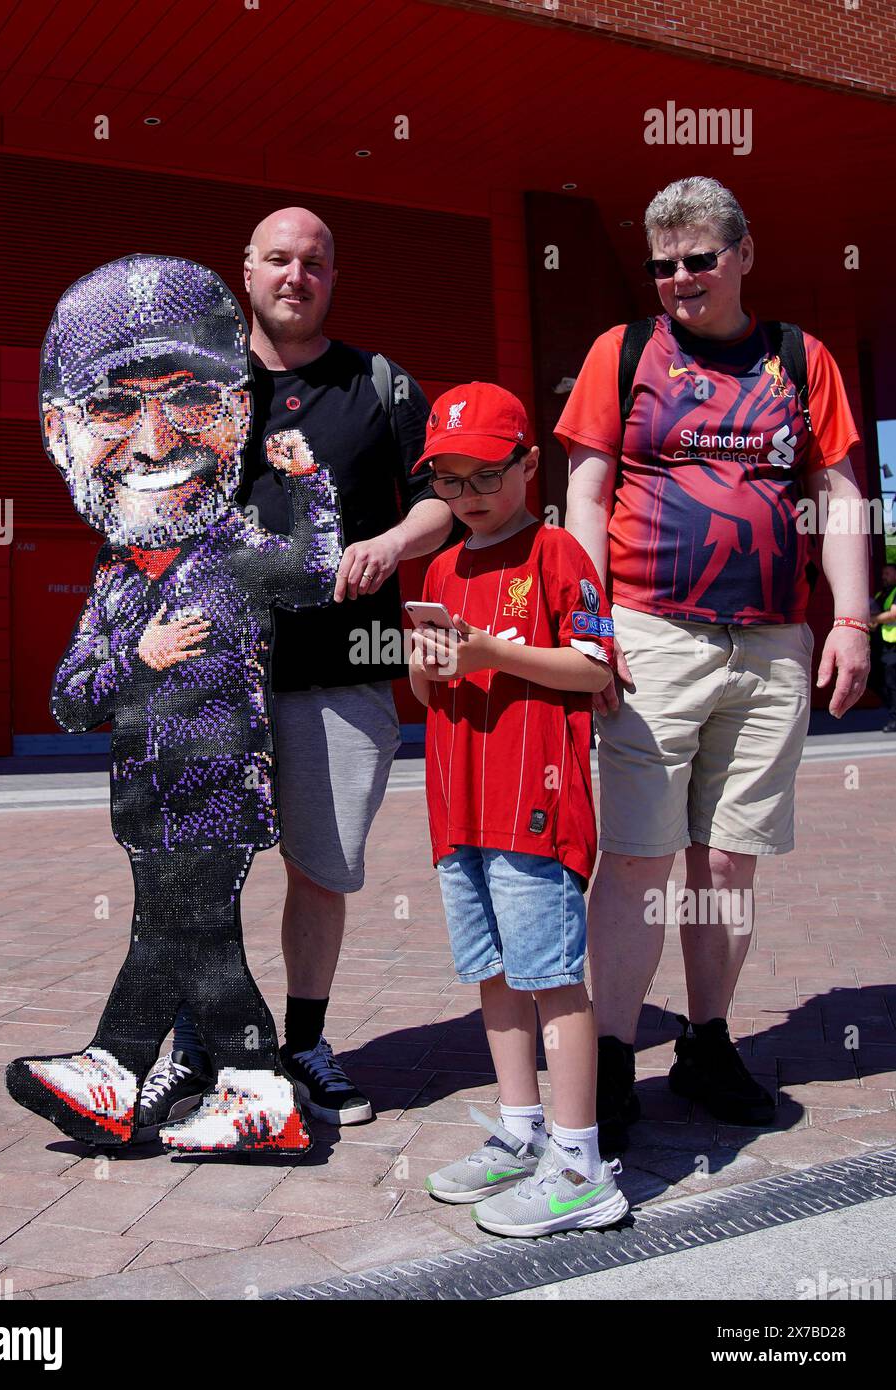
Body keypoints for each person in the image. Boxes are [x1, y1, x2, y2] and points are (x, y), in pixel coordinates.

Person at [558, 176, 871, 1152]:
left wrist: (852, 619)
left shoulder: (799, 358)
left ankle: (704, 1040)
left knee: (726, 858)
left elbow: (838, 488)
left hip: (772, 642)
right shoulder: (621, 355)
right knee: (640, 857)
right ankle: (610, 1060)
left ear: (742, 254)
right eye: (662, 264)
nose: (680, 278)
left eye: (698, 257)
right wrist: (588, 627)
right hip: (651, 637)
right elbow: (583, 493)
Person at [7, 254, 342, 1154]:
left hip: (219, 792)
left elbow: (315, 573)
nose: (155, 442)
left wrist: (310, 486)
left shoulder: (236, 551)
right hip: (144, 801)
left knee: (189, 930)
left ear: (237, 414)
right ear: (58, 432)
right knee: (179, 934)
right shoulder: (112, 585)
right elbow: (70, 699)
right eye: (114, 407)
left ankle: (217, 1083)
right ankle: (145, 1081)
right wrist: (133, 658)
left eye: (188, 398)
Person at [139, 208, 454, 1134]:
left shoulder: (380, 386)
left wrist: (394, 540)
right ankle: (200, 1047)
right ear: (246, 269)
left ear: (331, 276)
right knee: (208, 866)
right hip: (216, 670)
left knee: (322, 869)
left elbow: (439, 498)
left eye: (312, 263)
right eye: (277, 260)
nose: (294, 276)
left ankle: (306, 1043)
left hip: (348, 666)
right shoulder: (195, 381)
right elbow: (146, 509)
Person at [408, 382, 629, 1237]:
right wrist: (429, 663)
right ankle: (519, 1130)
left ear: (529, 465)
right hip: (458, 806)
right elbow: (430, 691)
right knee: (493, 973)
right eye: (448, 481)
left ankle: (579, 1165)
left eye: (484, 475)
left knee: (549, 979)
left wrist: (493, 649)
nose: (466, 496)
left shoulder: (558, 553)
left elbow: (594, 670)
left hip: (532, 807)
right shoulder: (437, 567)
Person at [870, 562, 896, 731]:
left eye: (888, 573)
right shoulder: (881, 593)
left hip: (892, 645)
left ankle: (894, 719)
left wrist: (874, 619)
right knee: (874, 680)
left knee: (892, 683)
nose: (883, 576)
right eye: (883, 573)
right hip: (880, 645)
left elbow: (894, 614)